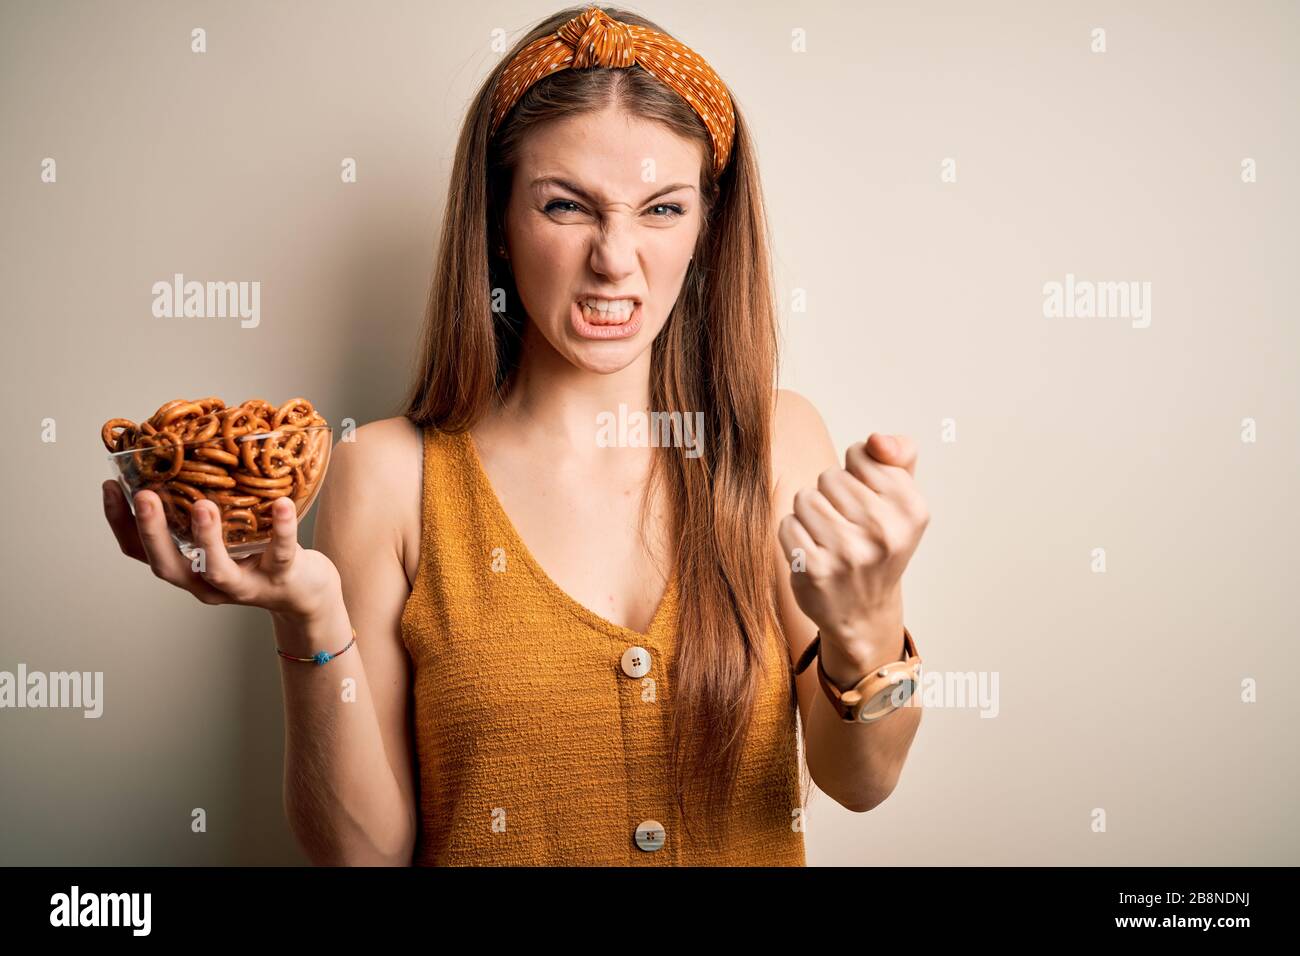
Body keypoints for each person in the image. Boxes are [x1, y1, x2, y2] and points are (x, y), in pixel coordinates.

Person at [101, 4, 929, 866]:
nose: (615, 257)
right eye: (567, 206)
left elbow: (861, 780)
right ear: (497, 222)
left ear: (707, 229)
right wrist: (307, 614)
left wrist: (868, 621)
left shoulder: (773, 442)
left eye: (661, 209)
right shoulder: (386, 474)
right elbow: (363, 856)